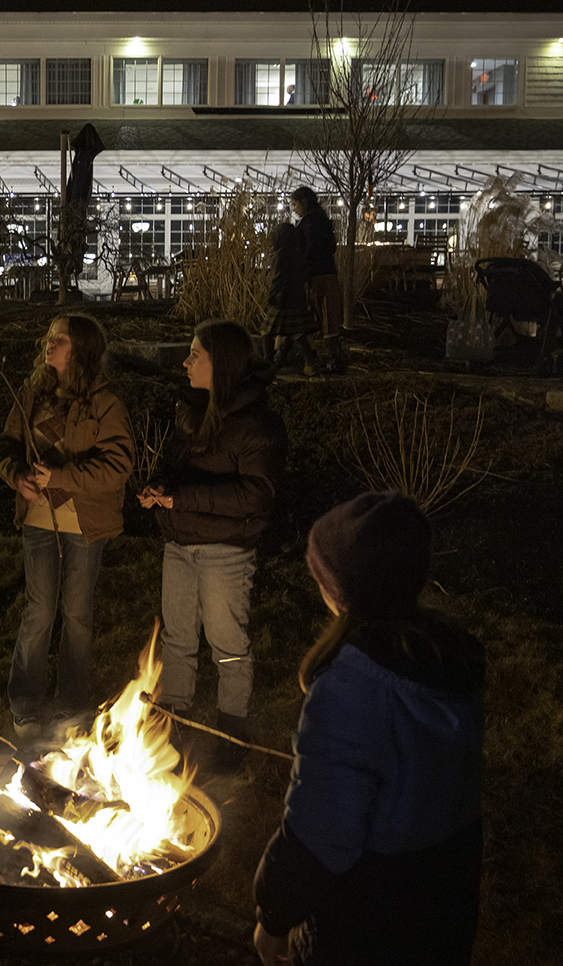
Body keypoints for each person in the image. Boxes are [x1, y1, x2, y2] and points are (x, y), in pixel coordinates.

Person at [254, 492, 484, 966]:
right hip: (445, 903)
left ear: (339, 588)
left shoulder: (352, 687)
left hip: (365, 919)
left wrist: (272, 916)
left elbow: (320, 832)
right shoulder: (447, 663)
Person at [138, 321, 287, 771]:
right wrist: (160, 485)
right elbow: (177, 466)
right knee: (178, 638)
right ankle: (174, 725)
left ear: (219, 364)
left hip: (225, 551)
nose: (185, 362)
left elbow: (255, 495)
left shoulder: (258, 426)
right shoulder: (194, 411)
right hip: (180, 544)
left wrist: (179, 498)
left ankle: (230, 734)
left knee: (227, 643)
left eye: (194, 354)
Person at [0, 314, 133, 738]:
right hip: (38, 519)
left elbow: (118, 464)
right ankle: (26, 705)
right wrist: (15, 474)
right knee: (38, 610)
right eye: (49, 334)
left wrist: (61, 478)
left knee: (77, 613)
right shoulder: (31, 393)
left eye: (59, 338)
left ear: (82, 350)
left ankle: (71, 705)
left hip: (84, 523)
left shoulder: (105, 403)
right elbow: (7, 444)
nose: (48, 343)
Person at [291, 186, 346, 374]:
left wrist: (302, 269)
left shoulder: (307, 223)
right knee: (329, 315)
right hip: (328, 272)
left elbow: (309, 249)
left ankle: (329, 359)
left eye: (294, 204)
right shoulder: (323, 220)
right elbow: (331, 246)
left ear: (303, 203)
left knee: (320, 314)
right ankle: (332, 357)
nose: (293, 209)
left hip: (316, 275)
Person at [265, 222, 320, 377]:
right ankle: (309, 362)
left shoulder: (280, 254)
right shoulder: (299, 254)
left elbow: (277, 279)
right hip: (297, 298)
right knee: (296, 332)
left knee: (267, 331)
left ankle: (268, 363)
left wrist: (272, 296)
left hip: (282, 299)